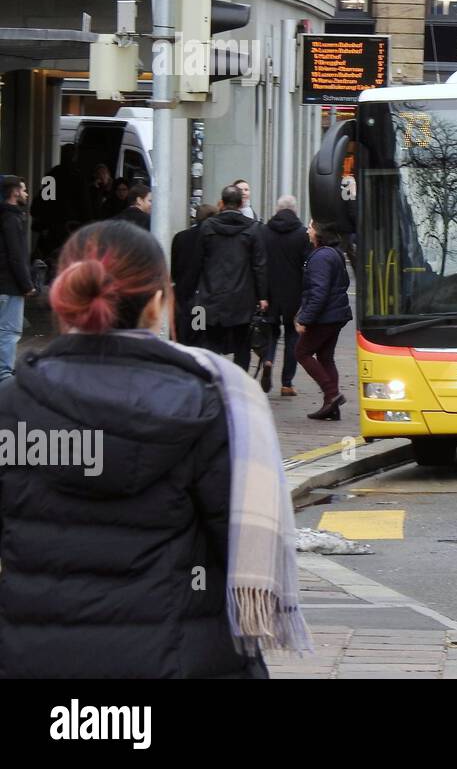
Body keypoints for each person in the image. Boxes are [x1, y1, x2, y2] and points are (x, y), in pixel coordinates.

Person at [0, 219, 312, 678]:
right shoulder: (213, 401)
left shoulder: (12, 404)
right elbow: (231, 543)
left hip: (33, 659)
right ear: (158, 302)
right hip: (182, 656)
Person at [195, 185, 268, 371]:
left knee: (210, 343)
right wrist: (263, 297)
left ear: (222, 202)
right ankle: (239, 385)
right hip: (242, 298)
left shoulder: (207, 228)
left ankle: (213, 382)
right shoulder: (253, 229)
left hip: (211, 297)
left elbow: (198, 261)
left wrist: (195, 291)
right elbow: (259, 265)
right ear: (241, 202)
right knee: (242, 346)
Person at [295, 220, 353, 421]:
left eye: (311, 227)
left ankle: (332, 394)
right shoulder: (334, 253)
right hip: (337, 314)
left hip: (325, 316)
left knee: (301, 352)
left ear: (319, 233)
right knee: (326, 357)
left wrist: (304, 319)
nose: (308, 230)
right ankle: (331, 407)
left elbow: (319, 292)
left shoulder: (320, 257)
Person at [259, 194, 311, 397]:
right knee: (292, 336)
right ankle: (287, 383)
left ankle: (268, 360)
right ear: (295, 210)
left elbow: (260, 264)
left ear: (277, 209)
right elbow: (307, 267)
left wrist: (261, 294)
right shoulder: (302, 234)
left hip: (270, 292)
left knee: (271, 331)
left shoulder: (264, 232)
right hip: (294, 294)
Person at [0, 175, 35, 383]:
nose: (26, 194)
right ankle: (4, 375)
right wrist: (27, 284)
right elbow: (16, 255)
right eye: (23, 190)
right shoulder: (12, 218)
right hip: (10, 286)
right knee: (9, 331)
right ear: (14, 192)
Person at [171, 204, 219, 346]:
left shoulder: (180, 237)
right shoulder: (211, 238)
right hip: (201, 298)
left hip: (182, 295)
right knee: (198, 336)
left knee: (183, 337)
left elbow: (174, 268)